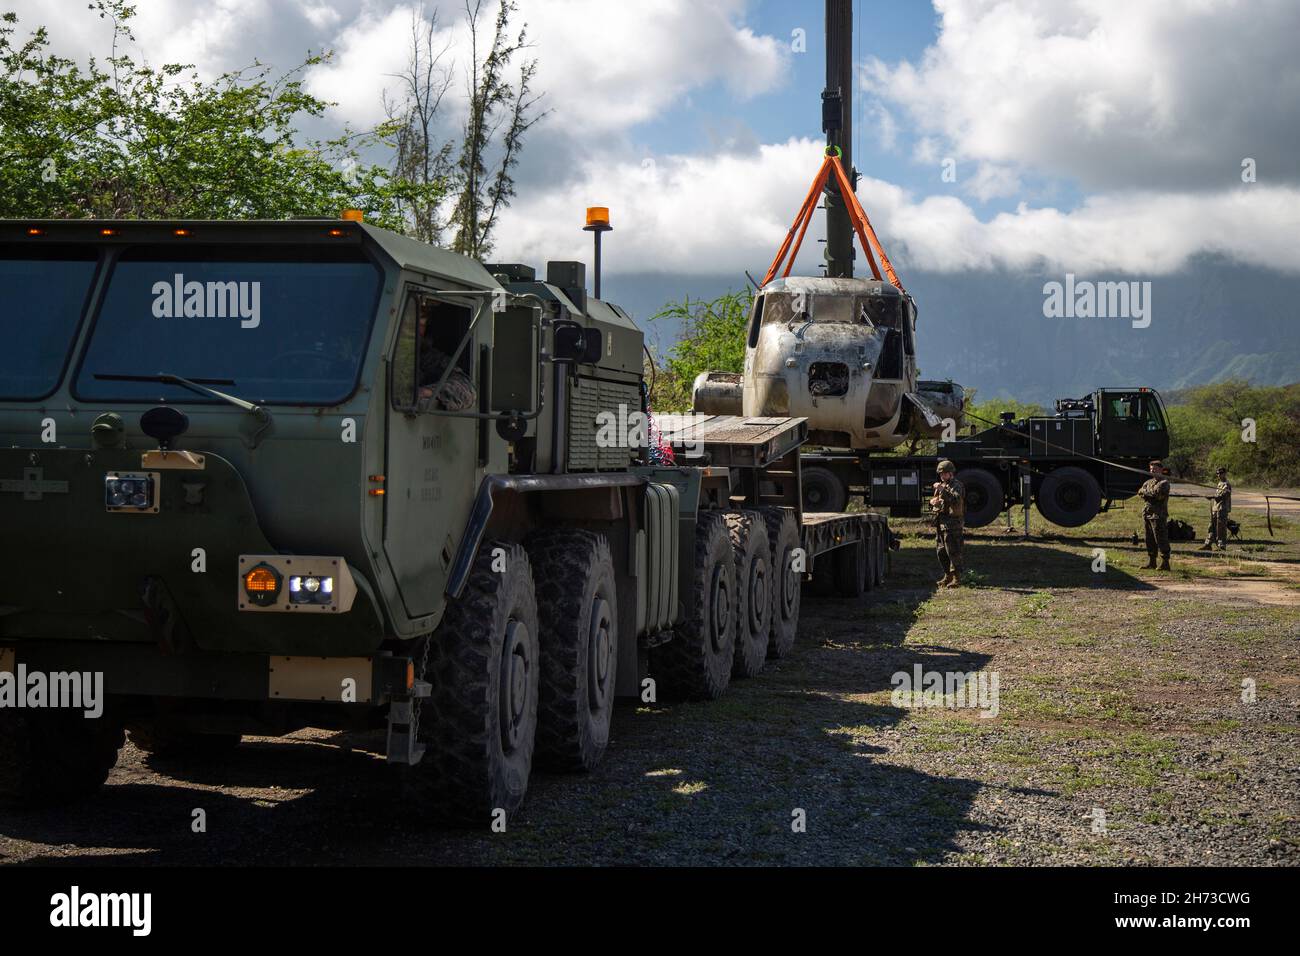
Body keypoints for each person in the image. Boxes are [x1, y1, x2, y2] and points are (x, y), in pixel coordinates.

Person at [416, 302, 476, 412]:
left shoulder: (427, 357)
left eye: (421, 320)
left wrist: (424, 392)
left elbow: (466, 389)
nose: (416, 327)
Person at [930, 459, 965, 588]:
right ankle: (947, 575)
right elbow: (939, 502)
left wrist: (942, 490)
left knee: (954, 551)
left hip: (953, 524)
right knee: (941, 551)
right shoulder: (942, 486)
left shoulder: (957, 485)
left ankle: (957, 578)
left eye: (945, 474)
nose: (942, 476)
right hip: (941, 523)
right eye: (941, 474)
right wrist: (933, 502)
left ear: (951, 473)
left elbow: (955, 500)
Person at [1137, 459, 1171, 570]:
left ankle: (1165, 562)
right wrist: (1147, 493)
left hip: (1158, 515)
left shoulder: (1164, 483)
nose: (1153, 471)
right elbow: (1140, 492)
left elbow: (1158, 496)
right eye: (1151, 469)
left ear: (1161, 470)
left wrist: (1145, 492)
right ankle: (1152, 562)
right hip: (1147, 514)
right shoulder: (1148, 482)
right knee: (1149, 539)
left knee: (1160, 538)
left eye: (1155, 469)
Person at [1199, 467, 1232, 551]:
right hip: (1216, 508)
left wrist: (1212, 497)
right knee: (1211, 527)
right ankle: (1208, 544)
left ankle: (1221, 546)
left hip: (1222, 509)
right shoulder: (1219, 483)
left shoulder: (1226, 484)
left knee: (1221, 528)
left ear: (1225, 473)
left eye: (1220, 473)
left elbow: (1223, 496)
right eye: (1217, 473)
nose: (1219, 475)